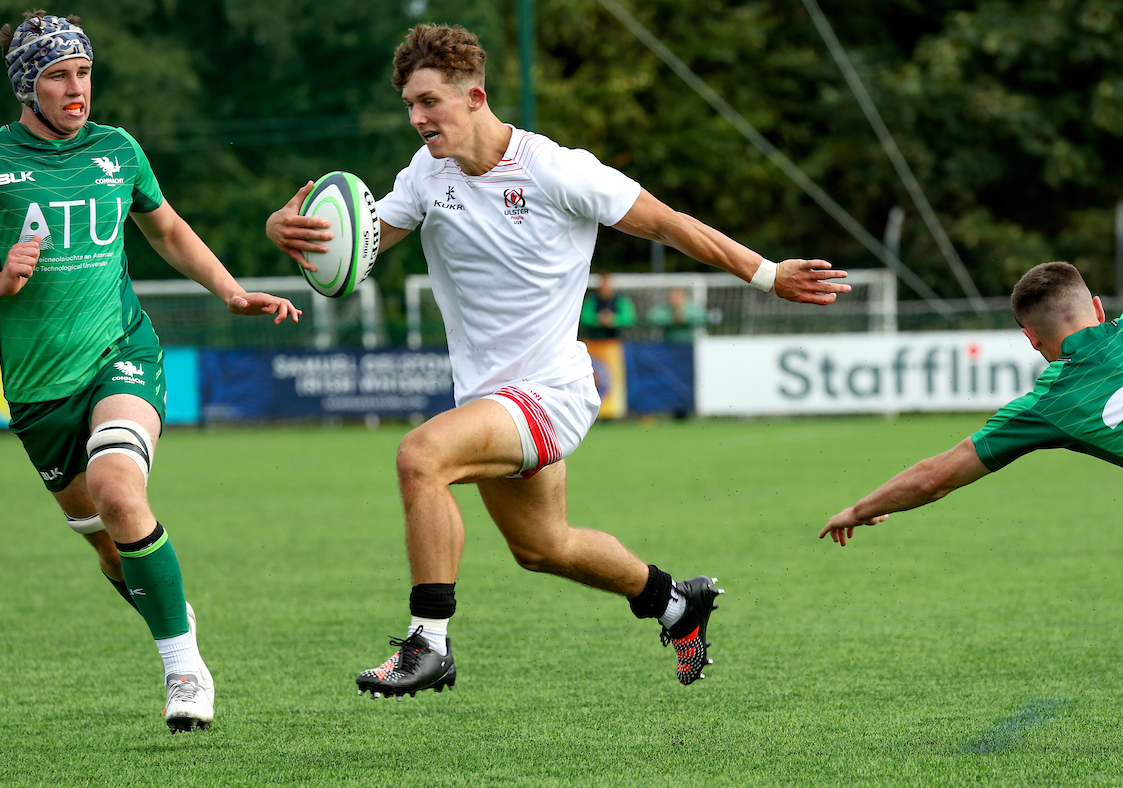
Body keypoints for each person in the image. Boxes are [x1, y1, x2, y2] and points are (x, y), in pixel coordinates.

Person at [267, 23, 849, 697]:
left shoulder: (555, 169)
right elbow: (362, 245)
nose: (417, 118)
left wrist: (768, 273)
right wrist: (291, 233)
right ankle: (675, 604)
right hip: (488, 400)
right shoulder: (426, 174)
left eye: (429, 102)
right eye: (409, 106)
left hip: (551, 393)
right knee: (543, 548)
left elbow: (669, 223)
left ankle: (428, 643)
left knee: (420, 457)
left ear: (475, 96)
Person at [0, 10, 302, 733]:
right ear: (26, 87)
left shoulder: (118, 149)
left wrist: (229, 291)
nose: (77, 89)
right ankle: (170, 609)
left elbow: (167, 228)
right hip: (39, 393)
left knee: (120, 492)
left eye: (84, 73)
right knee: (108, 543)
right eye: (58, 76)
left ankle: (183, 668)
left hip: (122, 354)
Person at [821, 261, 1122, 547]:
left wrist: (859, 510)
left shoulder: (1049, 405)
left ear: (1031, 338)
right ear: (1098, 308)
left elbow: (933, 479)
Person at [580, 272, 636, 338]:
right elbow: (583, 316)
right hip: (593, 340)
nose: (605, 290)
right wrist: (598, 319)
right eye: (603, 288)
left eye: (607, 287)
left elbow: (630, 317)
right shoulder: (592, 299)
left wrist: (613, 320)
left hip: (618, 340)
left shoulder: (621, 299)